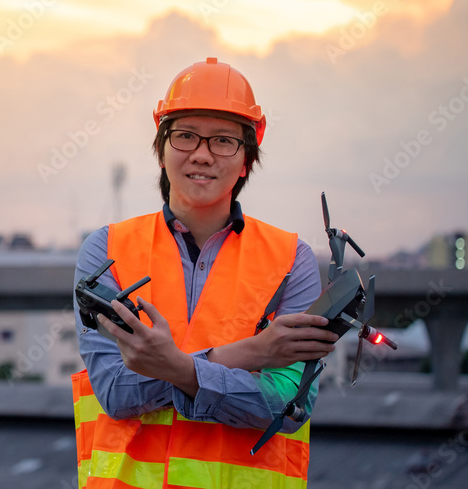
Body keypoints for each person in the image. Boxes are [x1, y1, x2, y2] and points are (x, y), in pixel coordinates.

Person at [72, 57, 337, 489]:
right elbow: (116, 392)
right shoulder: (106, 250)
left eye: (223, 141)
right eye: (185, 136)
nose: (201, 154)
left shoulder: (293, 260)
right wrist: (252, 353)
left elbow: (287, 405)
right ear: (161, 149)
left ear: (247, 160)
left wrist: (171, 366)